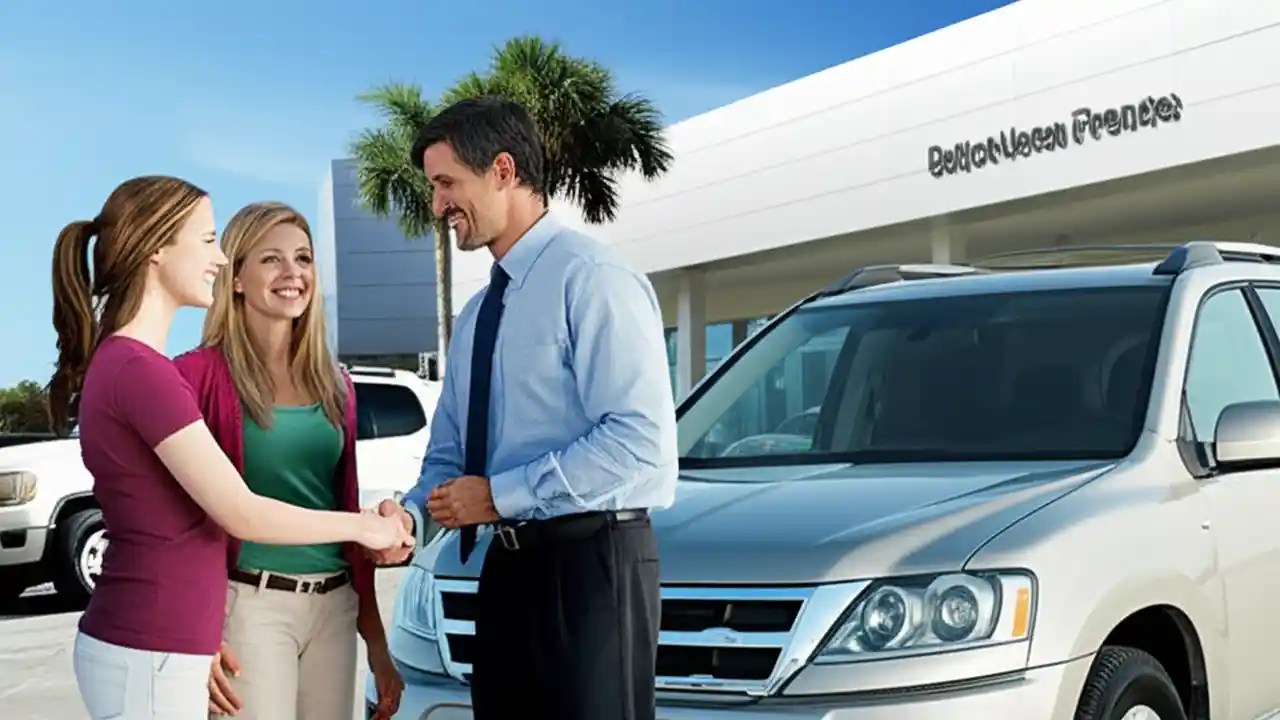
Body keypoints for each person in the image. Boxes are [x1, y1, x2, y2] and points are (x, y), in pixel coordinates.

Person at [49, 176, 414, 720]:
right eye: (207, 241)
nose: (216, 258)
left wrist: (375, 628)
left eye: (303, 258)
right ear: (157, 247)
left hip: (202, 631)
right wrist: (363, 526)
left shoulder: (331, 385)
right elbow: (236, 511)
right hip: (179, 632)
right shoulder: (152, 371)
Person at [371, 98, 679, 719]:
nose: (437, 205)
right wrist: (408, 520)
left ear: (504, 171)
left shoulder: (592, 279)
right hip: (506, 572)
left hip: (593, 567)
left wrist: (500, 496)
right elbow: (451, 456)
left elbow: (640, 441)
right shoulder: (479, 315)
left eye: (447, 183)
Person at [170, 201, 404, 719]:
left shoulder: (335, 385)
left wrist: (377, 641)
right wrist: (198, 631)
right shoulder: (196, 378)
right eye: (271, 259)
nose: (292, 273)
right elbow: (178, 520)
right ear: (235, 279)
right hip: (250, 608)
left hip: (334, 607)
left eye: (303, 258)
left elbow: (342, 517)